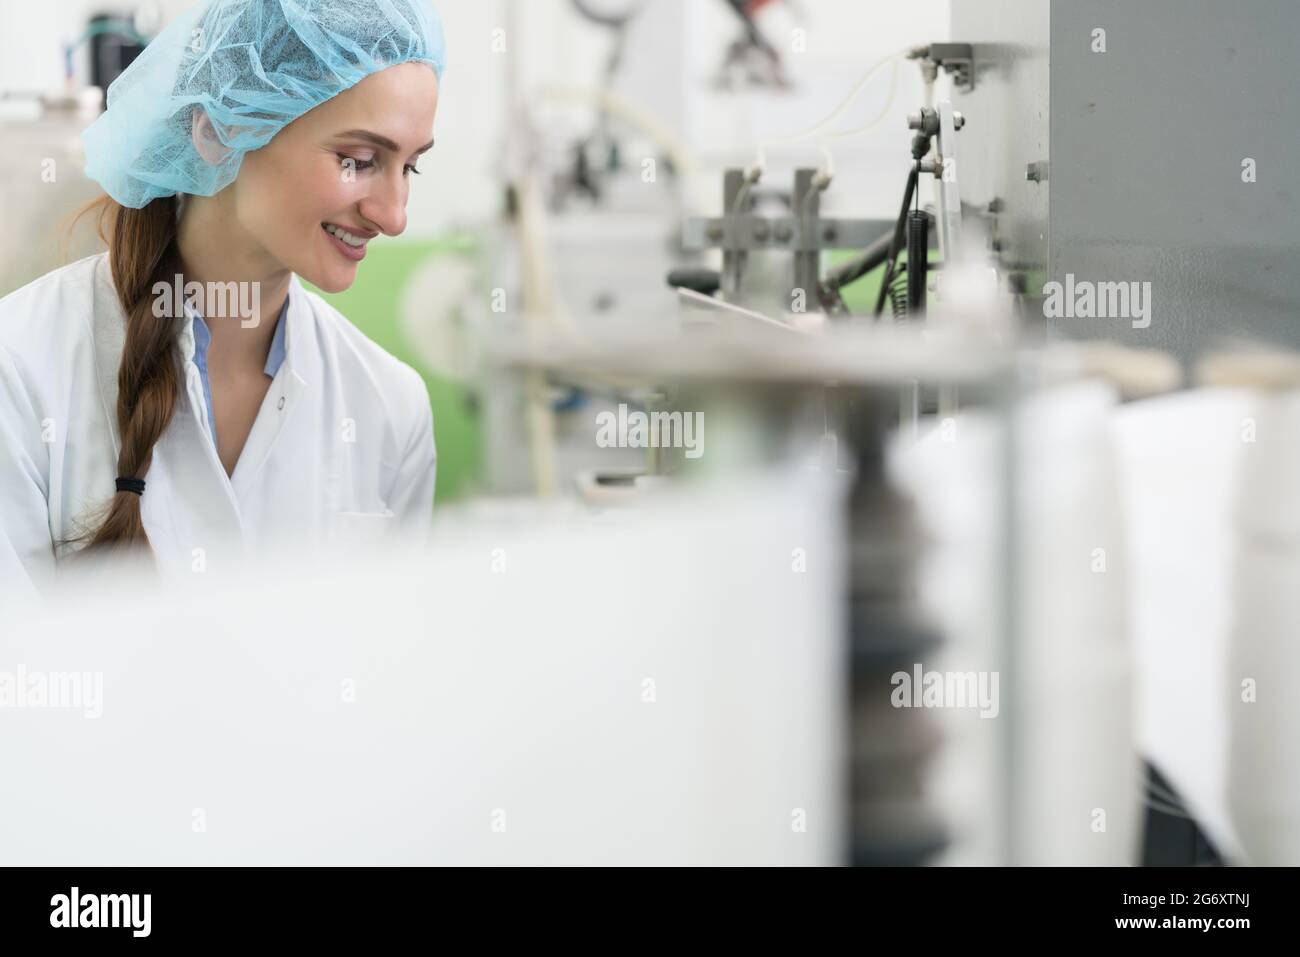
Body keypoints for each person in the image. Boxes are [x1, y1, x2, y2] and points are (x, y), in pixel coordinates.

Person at [0, 0, 447, 603]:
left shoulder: (391, 408)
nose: (394, 216)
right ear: (219, 130)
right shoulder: (20, 371)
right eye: (359, 161)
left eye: (410, 168)